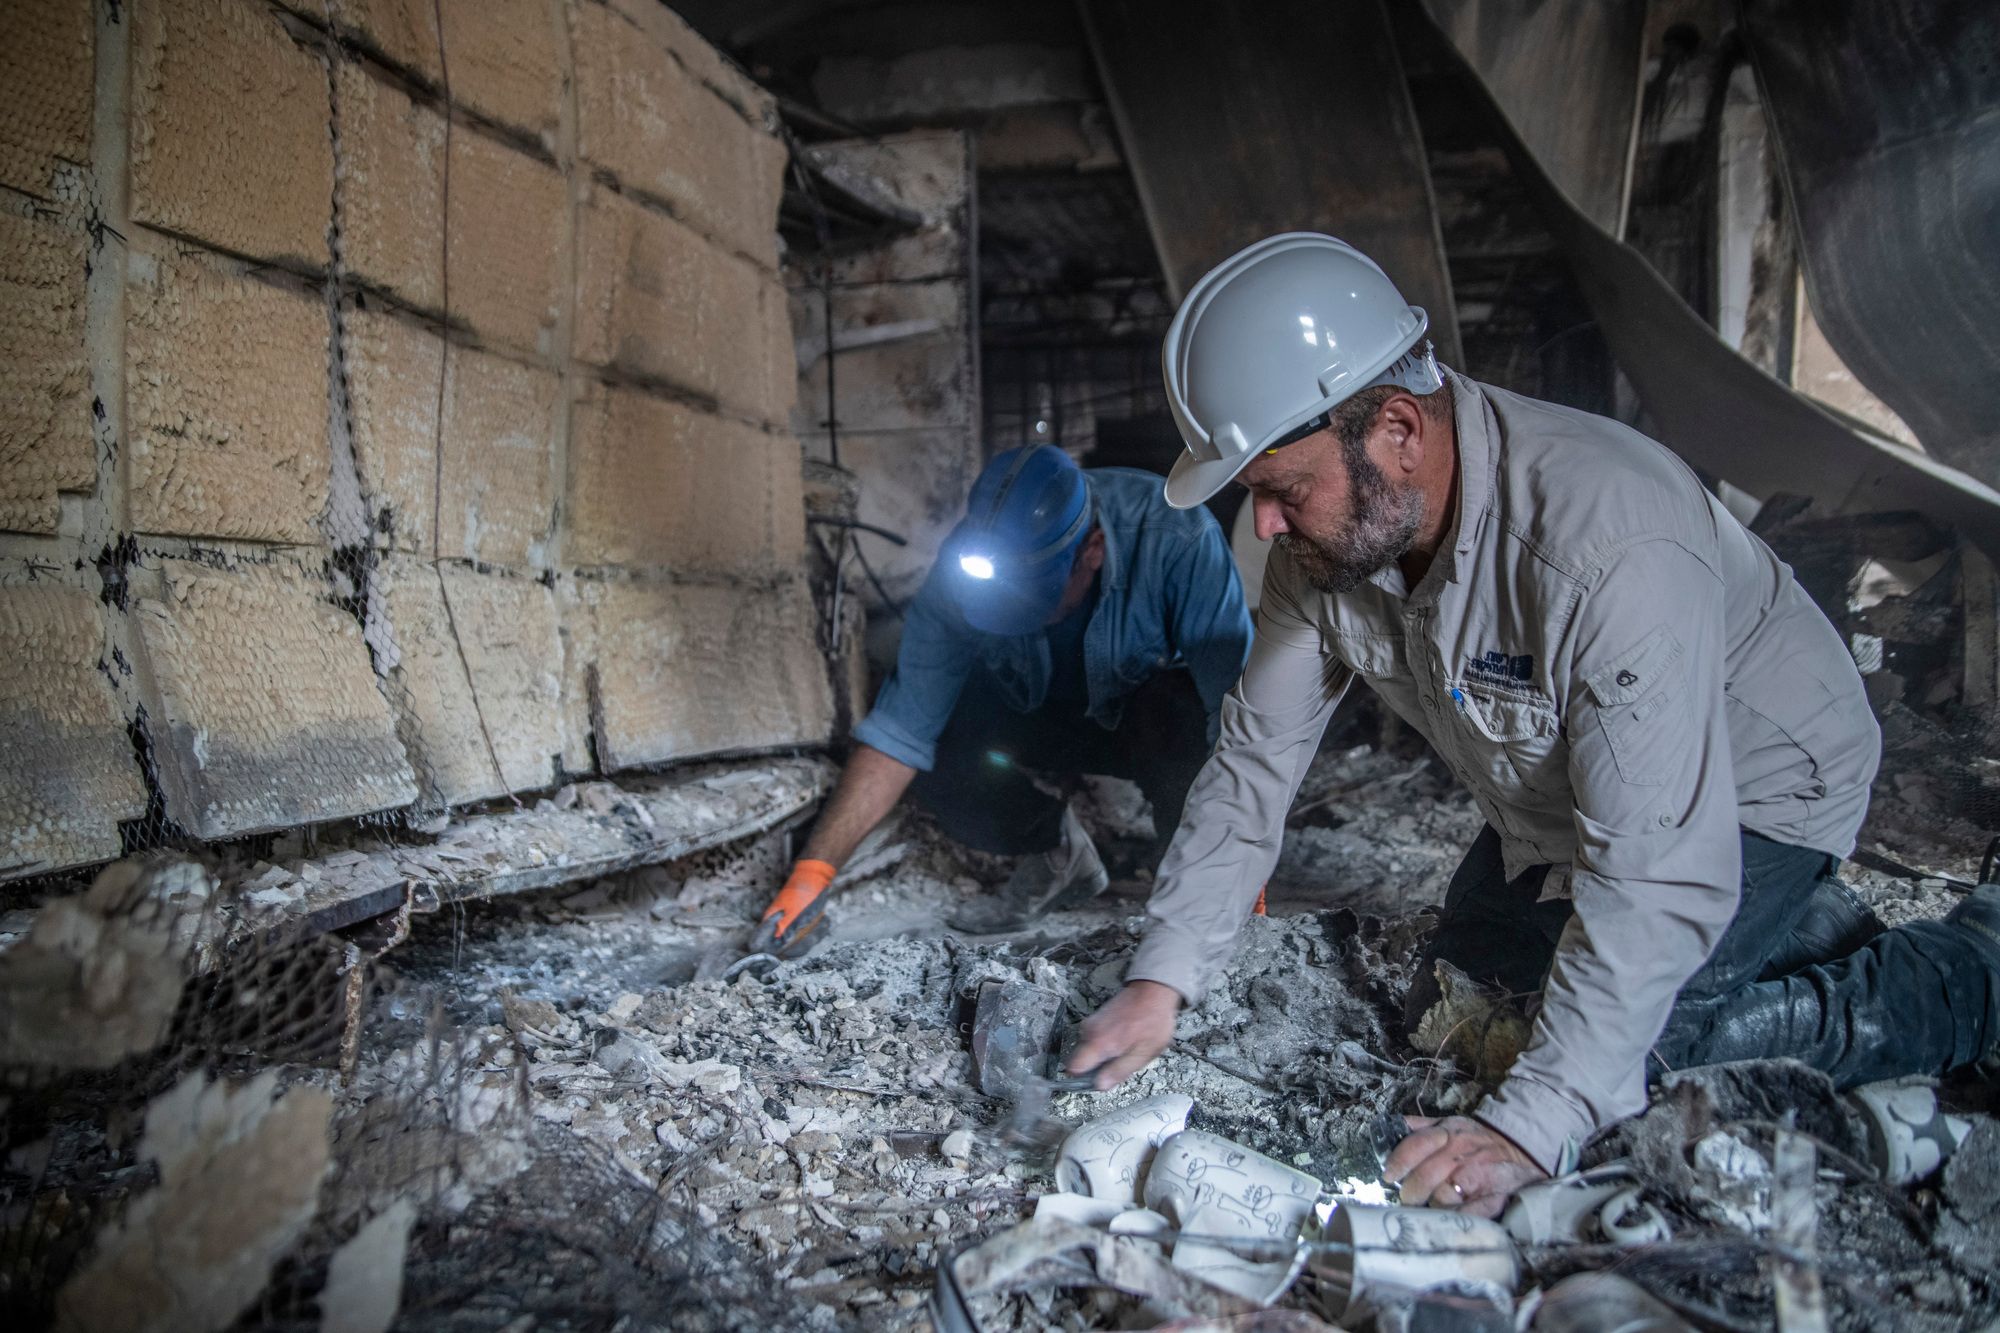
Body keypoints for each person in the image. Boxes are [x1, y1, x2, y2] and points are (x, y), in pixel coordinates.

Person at [1067, 232, 2000, 1217]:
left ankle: (1964, 972)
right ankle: (1786, 925)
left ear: (1394, 428)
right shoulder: (1326, 548)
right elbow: (1253, 762)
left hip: (1755, 779)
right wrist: (1160, 976)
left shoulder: (1605, 537)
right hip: (1564, 794)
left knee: (1629, 1085)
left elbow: (1651, 864)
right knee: (1458, 1026)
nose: (1262, 528)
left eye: (1281, 491)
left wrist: (1531, 1124)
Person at [751, 443, 1252, 956]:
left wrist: (1239, 858)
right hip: (1035, 717)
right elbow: (901, 731)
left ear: (1093, 549)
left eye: (1037, 603)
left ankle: (1188, 892)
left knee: (1186, 713)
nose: (1020, 617)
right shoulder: (957, 570)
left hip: (1140, 723)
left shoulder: (1175, 534)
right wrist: (810, 876)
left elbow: (1241, 716)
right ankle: (1058, 854)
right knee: (941, 743)